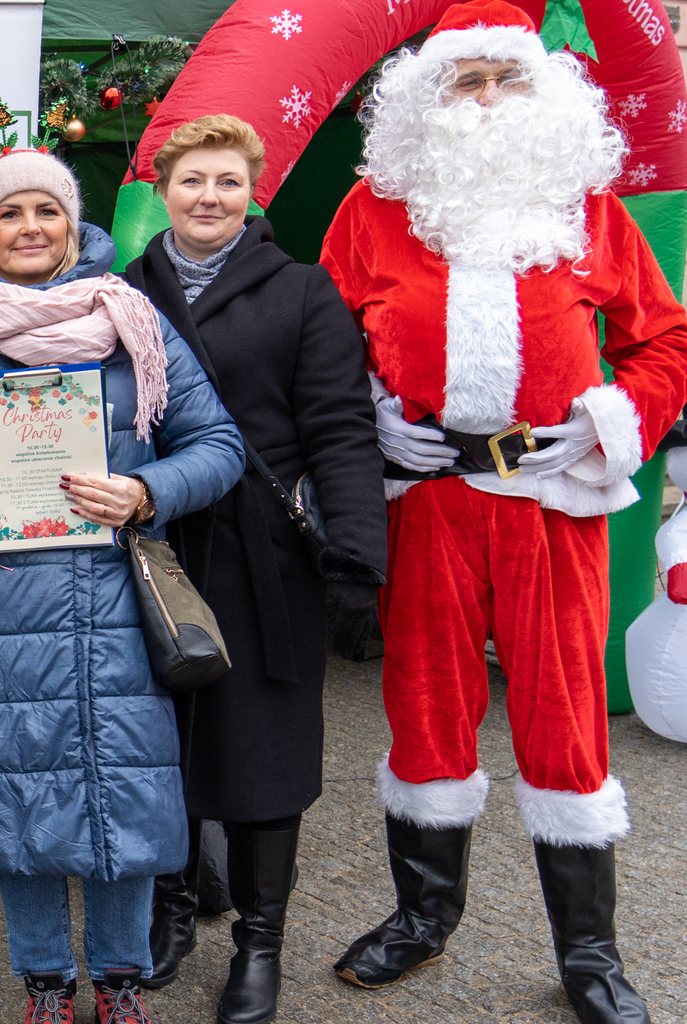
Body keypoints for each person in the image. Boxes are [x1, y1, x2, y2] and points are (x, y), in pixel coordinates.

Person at [319, 4, 687, 1022]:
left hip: (549, 503)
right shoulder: (370, 211)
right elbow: (322, 341)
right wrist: (367, 416)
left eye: (503, 79)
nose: (482, 99)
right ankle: (421, 917)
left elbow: (664, 341)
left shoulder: (589, 207)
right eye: (460, 81)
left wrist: (610, 420)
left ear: (543, 94)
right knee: (424, 704)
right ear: (422, 101)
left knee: (564, 718)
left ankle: (590, 953)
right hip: (427, 501)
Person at [0, 149, 246, 1024]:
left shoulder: (132, 325)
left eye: (46, 211)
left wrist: (149, 491)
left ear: (72, 226)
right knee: (18, 804)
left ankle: (118, 985)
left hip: (117, 608)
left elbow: (218, 445)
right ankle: (44, 986)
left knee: (128, 797)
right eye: (9, 214)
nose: (30, 228)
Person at [120, 114, 385, 1024]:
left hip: (262, 557)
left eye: (227, 182)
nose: (209, 198)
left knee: (262, 749)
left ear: (252, 193)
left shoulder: (302, 291)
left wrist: (355, 556)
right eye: (192, 180)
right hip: (154, 548)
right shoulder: (119, 292)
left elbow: (342, 430)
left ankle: (258, 943)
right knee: (160, 740)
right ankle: (172, 906)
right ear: (163, 188)